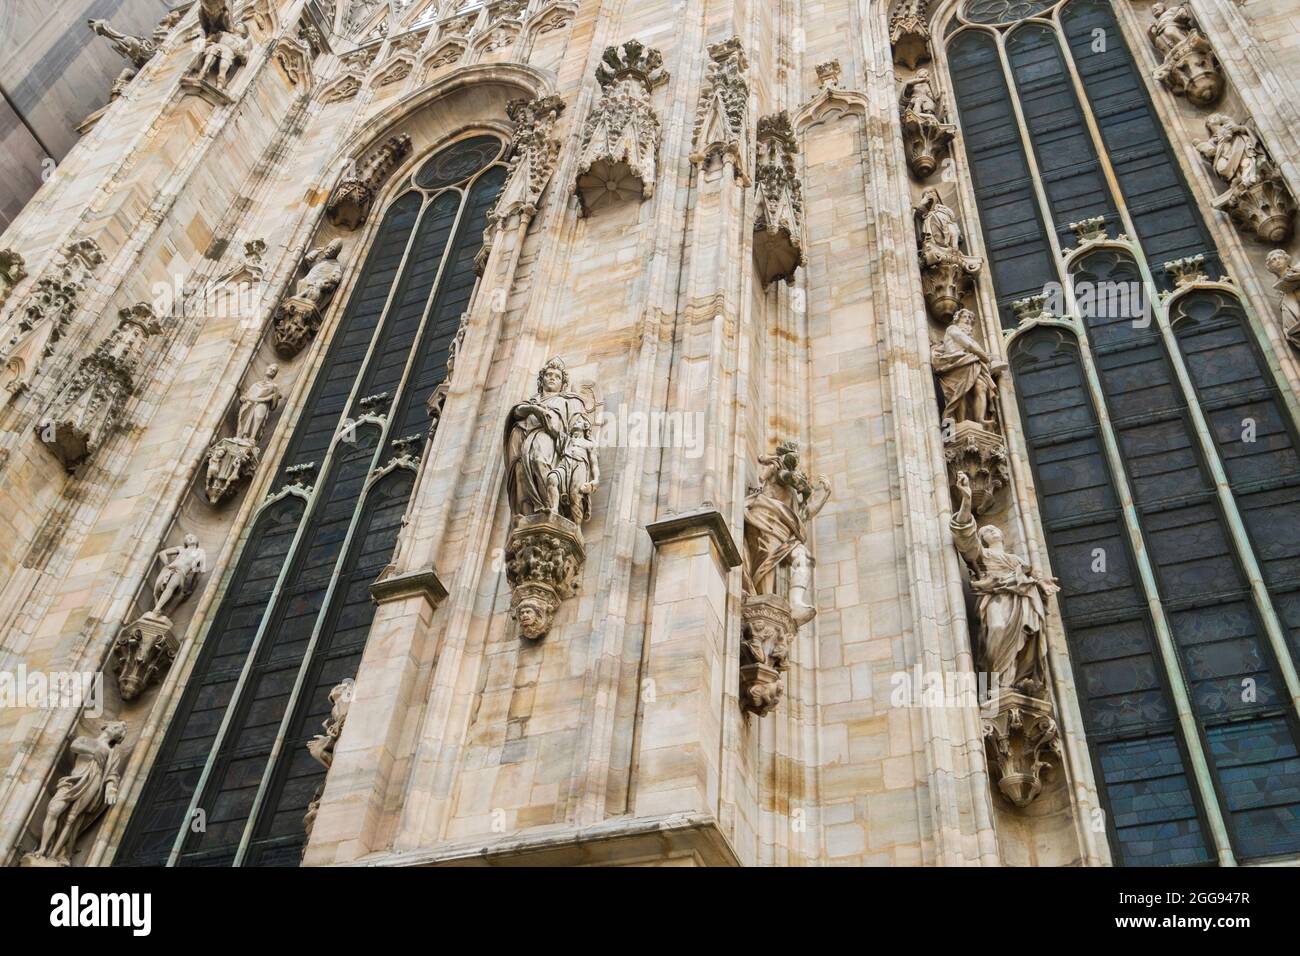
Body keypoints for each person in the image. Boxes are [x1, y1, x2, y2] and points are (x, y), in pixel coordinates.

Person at [950, 472, 1058, 697]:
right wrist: (967, 500)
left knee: (1024, 636)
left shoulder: (1015, 559)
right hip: (995, 599)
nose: (990, 530)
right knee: (997, 628)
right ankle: (996, 681)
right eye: (985, 531)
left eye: (992, 529)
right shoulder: (984, 555)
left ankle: (1011, 680)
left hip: (1019, 601)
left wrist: (1042, 584)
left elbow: (1031, 578)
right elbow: (965, 539)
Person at [30, 722, 127, 864]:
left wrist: (111, 789)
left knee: (72, 818)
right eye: (116, 726)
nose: (116, 729)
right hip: (73, 780)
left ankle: (54, 854)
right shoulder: (85, 740)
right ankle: (42, 848)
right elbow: (75, 746)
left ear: (118, 738)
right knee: (53, 810)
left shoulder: (112, 753)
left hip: (94, 780)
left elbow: (112, 773)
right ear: (105, 726)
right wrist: (94, 751)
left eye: (119, 731)